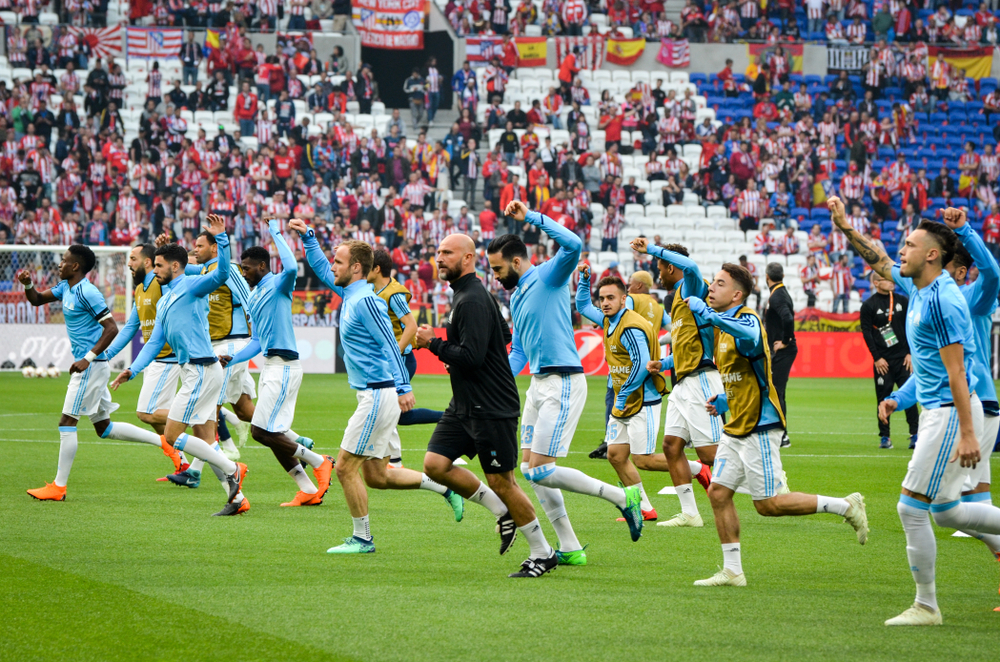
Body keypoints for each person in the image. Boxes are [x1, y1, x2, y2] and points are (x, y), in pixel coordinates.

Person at [830, 197, 1000, 625]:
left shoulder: (944, 301)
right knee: (945, 511)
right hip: (937, 412)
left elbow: (957, 371)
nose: (900, 250)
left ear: (932, 254)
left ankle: (927, 606)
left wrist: (966, 432)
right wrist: (845, 225)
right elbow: (878, 257)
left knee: (910, 508)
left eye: (909, 244)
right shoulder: (918, 287)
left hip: (948, 414)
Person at [690, 262, 869, 587]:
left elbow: (748, 337)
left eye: (719, 283)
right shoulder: (722, 330)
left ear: (737, 294)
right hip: (736, 425)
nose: (711, 288)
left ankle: (845, 505)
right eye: (712, 283)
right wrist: (724, 401)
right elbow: (749, 377)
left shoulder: (746, 320)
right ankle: (733, 571)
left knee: (768, 505)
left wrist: (711, 316)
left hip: (759, 425)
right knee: (717, 492)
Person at [490, 200, 644, 567]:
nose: (494, 275)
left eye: (497, 268)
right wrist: (493, 381)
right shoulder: (518, 295)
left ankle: (624, 498)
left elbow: (573, 245)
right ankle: (570, 546)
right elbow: (520, 351)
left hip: (563, 382)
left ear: (515, 261)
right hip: (539, 384)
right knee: (529, 470)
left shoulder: (548, 275)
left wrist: (529, 217)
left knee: (541, 468)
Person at [297, 224, 463, 554]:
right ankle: (445, 489)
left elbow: (390, 343)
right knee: (377, 476)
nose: (332, 267)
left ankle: (363, 539)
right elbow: (318, 266)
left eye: (339, 262)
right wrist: (308, 238)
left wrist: (403, 385)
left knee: (344, 468)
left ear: (356, 268)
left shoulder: (367, 301)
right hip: (373, 393)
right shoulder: (350, 293)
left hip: (377, 394)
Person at [416, 233, 558, 578]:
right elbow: (503, 339)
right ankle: (502, 511)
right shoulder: (465, 296)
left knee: (504, 482)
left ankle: (544, 552)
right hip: (465, 404)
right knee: (435, 464)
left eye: (447, 253)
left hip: (491, 407)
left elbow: (472, 357)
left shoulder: (473, 299)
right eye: (438, 252)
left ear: (467, 259)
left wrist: (432, 343)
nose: (439, 258)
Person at [110, 216, 249, 516]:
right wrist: (132, 370)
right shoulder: (163, 301)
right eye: (154, 265)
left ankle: (232, 468)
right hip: (198, 370)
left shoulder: (193, 286)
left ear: (174, 267)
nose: (154, 270)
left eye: (158, 266)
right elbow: (153, 343)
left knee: (172, 436)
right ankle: (236, 499)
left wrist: (222, 238)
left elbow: (223, 271)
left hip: (201, 371)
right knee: (204, 438)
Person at [19, 246, 180, 502]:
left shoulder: (88, 292)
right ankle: (164, 443)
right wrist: (28, 285)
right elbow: (37, 299)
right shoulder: (65, 288)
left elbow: (111, 328)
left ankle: (58, 487)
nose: (59, 264)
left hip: (91, 367)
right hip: (93, 365)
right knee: (104, 427)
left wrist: (88, 358)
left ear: (75, 266)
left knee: (67, 422)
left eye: (64, 260)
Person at [221, 221, 335, 507]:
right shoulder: (255, 294)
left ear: (262, 266)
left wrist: (276, 234)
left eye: (247, 268)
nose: (243, 272)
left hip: (284, 366)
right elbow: (257, 340)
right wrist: (231, 359)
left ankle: (320, 462)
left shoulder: (279, 283)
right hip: (271, 365)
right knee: (273, 433)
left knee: (262, 431)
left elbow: (293, 268)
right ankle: (307, 488)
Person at [631, 238, 716, 529]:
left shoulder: (692, 285)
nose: (658, 273)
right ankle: (690, 513)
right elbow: (683, 347)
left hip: (702, 378)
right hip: (682, 381)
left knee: (709, 455)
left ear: (670, 266)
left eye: (660, 267)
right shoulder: (676, 299)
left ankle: (772, 477)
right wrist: (662, 364)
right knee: (671, 446)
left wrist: (650, 248)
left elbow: (690, 265)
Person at [576, 265, 668, 521]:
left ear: (624, 299)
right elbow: (582, 305)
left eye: (610, 298)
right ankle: (644, 508)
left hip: (642, 400)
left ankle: (698, 469)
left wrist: (624, 396)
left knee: (644, 460)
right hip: (624, 399)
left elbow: (641, 365)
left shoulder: (630, 327)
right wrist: (584, 280)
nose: (605, 303)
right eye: (602, 298)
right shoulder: (609, 319)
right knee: (616, 455)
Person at [100, 244, 186, 476]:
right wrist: (105, 354)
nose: (129, 263)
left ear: (147, 262)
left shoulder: (162, 285)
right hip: (154, 358)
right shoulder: (140, 289)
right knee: (158, 419)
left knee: (145, 413)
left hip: (168, 357)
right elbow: (130, 328)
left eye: (133, 258)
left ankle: (201, 421)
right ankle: (184, 463)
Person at [369, 249, 443, 466]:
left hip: (402, 360)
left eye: (367, 265)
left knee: (387, 410)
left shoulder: (394, 293)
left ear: (377, 268)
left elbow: (411, 326)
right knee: (399, 415)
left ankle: (394, 461)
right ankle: (451, 417)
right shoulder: (374, 289)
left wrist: (395, 353)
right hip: (391, 360)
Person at [860, 270, 917, 450]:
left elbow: (912, 327)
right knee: (882, 398)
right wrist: (877, 358)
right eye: (886, 280)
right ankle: (885, 437)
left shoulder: (903, 301)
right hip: (883, 362)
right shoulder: (868, 305)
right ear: (876, 283)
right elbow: (867, 333)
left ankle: (915, 435)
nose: (892, 282)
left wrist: (910, 353)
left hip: (903, 359)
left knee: (909, 397)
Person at [763, 263, 796, 448]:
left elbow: (788, 318)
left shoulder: (777, 296)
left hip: (784, 350)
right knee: (774, 390)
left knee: (777, 390)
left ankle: (783, 434)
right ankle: (778, 430)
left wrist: (785, 341)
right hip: (781, 350)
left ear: (767, 276)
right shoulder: (779, 293)